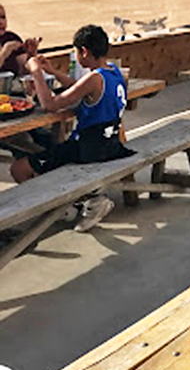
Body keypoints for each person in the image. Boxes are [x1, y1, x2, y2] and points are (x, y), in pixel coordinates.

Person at [10, 25, 133, 231]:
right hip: (111, 146)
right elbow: (79, 86)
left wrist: (37, 73)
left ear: (84, 52)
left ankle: (65, 206)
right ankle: (72, 202)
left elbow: (50, 105)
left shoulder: (94, 79)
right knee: (49, 153)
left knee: (18, 168)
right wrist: (53, 71)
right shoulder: (112, 72)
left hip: (88, 150)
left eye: (76, 51)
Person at [0, 6, 41, 77]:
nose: (1, 22)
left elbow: (24, 71)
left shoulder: (11, 37)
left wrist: (31, 54)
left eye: (3, 17)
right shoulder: (8, 46)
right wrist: (5, 52)